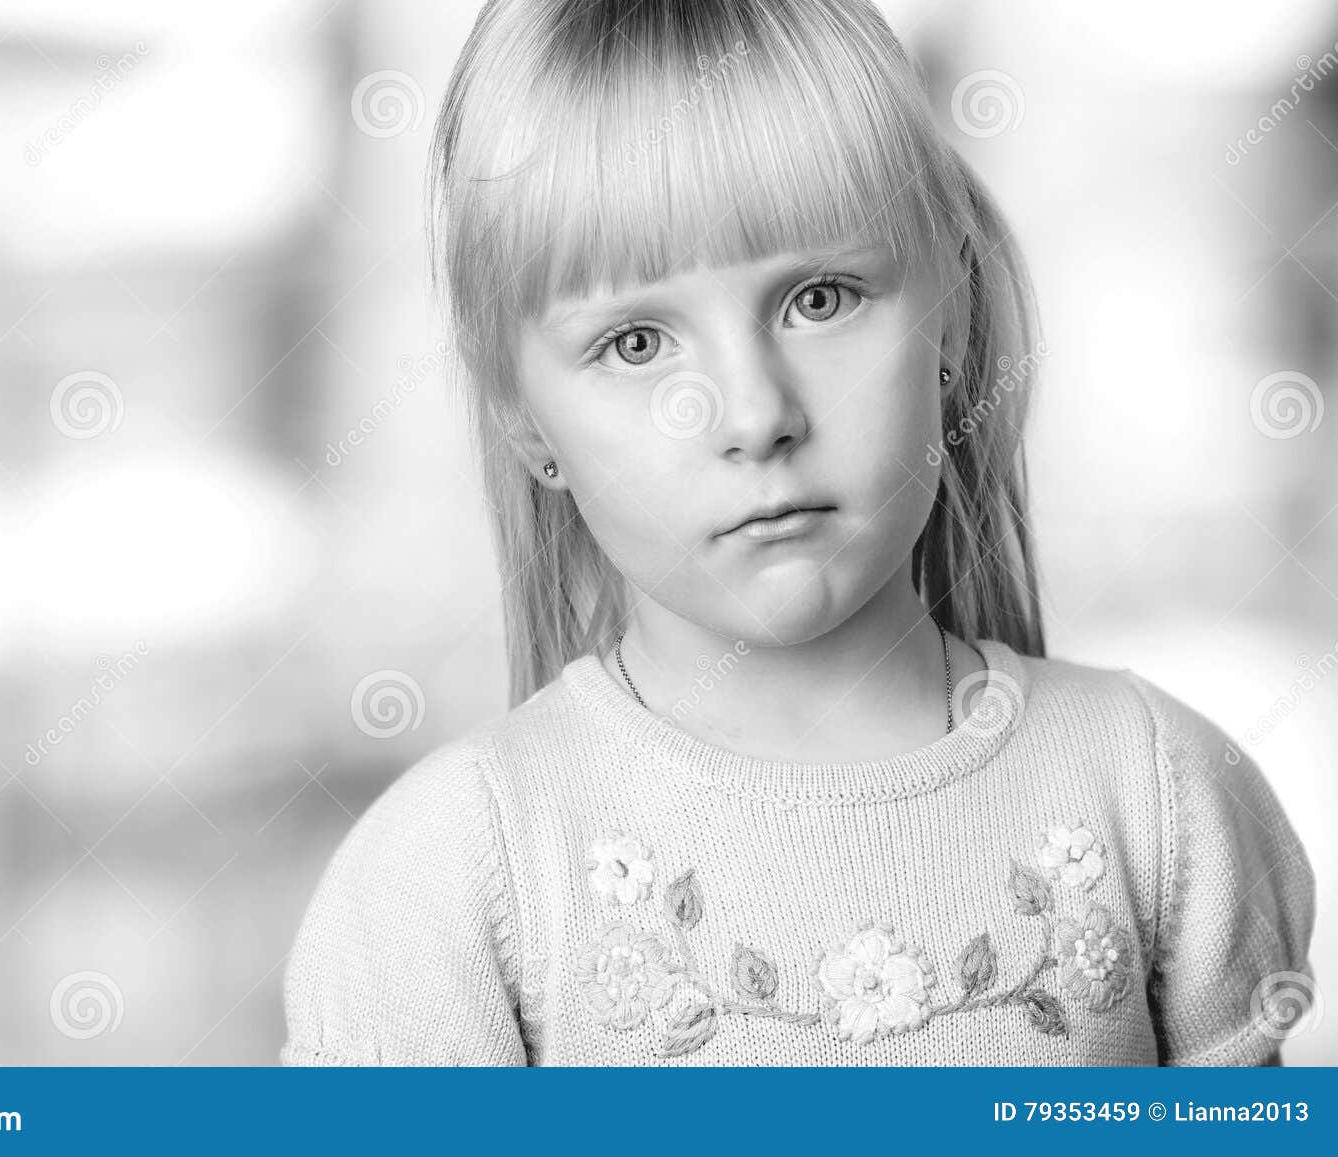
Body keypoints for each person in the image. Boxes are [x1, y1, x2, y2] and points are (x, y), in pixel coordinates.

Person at [280, 0, 1315, 1065]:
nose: (751, 413)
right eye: (635, 341)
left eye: (820, 298)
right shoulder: (441, 881)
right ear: (523, 419)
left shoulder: (1159, 796)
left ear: (950, 320)